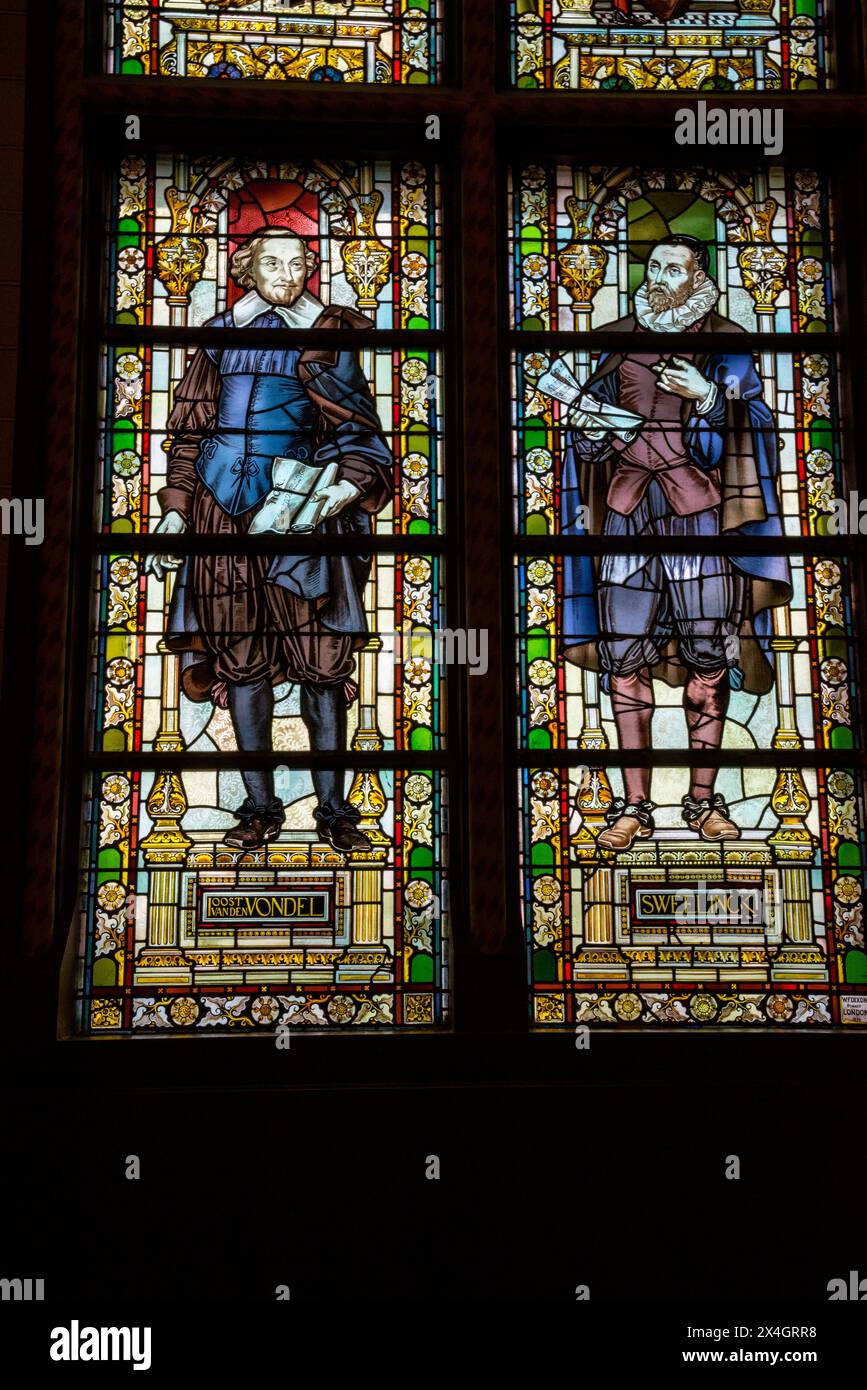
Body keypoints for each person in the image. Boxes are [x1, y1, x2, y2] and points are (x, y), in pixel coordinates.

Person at [146, 228, 392, 853]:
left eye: (296, 261)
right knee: (242, 662)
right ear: (245, 268)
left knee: (322, 666)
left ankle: (334, 810)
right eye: (270, 262)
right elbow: (190, 432)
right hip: (219, 521)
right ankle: (259, 807)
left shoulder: (329, 338)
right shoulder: (219, 338)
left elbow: (359, 433)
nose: (285, 272)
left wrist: (344, 488)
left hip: (302, 522)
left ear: (311, 268)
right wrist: (176, 508)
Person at [560, 235, 791, 852]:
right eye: (653, 267)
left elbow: (758, 428)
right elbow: (587, 445)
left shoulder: (725, 343)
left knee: (708, 662)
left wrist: (711, 397)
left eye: (673, 268)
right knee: (622, 660)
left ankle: (703, 799)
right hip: (627, 517)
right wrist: (585, 431)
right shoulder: (615, 340)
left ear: (699, 278)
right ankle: (634, 805)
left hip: (701, 522)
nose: (659, 277)